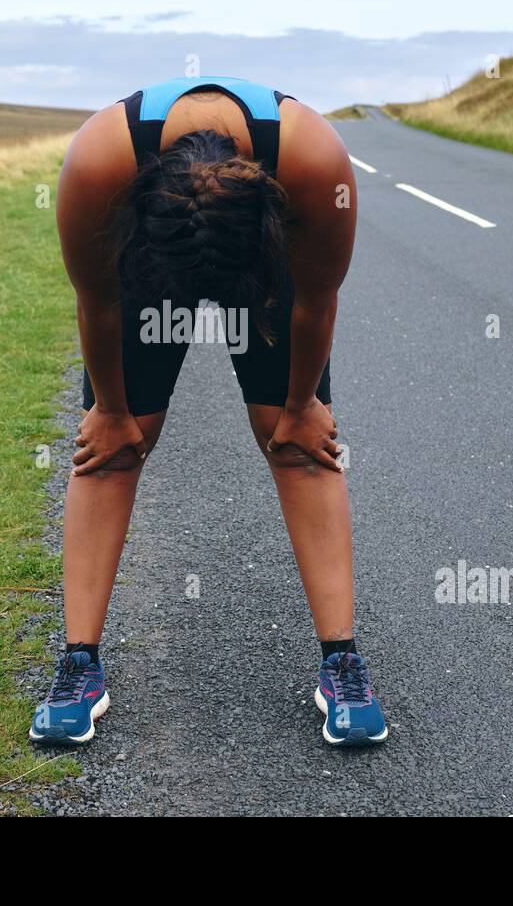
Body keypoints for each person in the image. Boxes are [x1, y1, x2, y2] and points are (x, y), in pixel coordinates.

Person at [29, 76, 387, 748]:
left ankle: (342, 662)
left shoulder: (313, 160)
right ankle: (79, 664)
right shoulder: (99, 162)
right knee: (113, 448)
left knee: (298, 444)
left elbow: (314, 300)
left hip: (264, 271)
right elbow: (98, 302)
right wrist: (109, 409)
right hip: (149, 264)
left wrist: (303, 405)